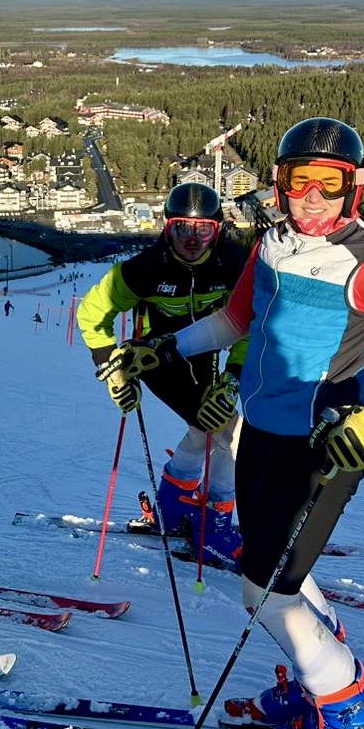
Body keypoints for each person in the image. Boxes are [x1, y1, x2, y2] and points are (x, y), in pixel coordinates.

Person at [96, 119, 364, 729]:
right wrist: (164, 348)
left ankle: (348, 724)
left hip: (324, 447)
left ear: (355, 187)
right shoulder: (274, 243)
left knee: (264, 593)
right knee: (279, 573)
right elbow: (235, 319)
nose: (311, 197)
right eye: (296, 180)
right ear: (278, 183)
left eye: (329, 183)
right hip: (260, 434)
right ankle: (333, 675)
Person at [77, 182, 248, 566]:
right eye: (181, 228)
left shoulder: (233, 265)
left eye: (203, 229)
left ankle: (173, 505)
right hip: (157, 361)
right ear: (166, 228)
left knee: (210, 425)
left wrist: (233, 378)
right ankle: (214, 526)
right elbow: (91, 314)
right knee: (228, 431)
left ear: (217, 230)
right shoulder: (145, 269)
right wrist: (114, 371)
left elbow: (248, 325)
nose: (192, 239)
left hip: (207, 358)